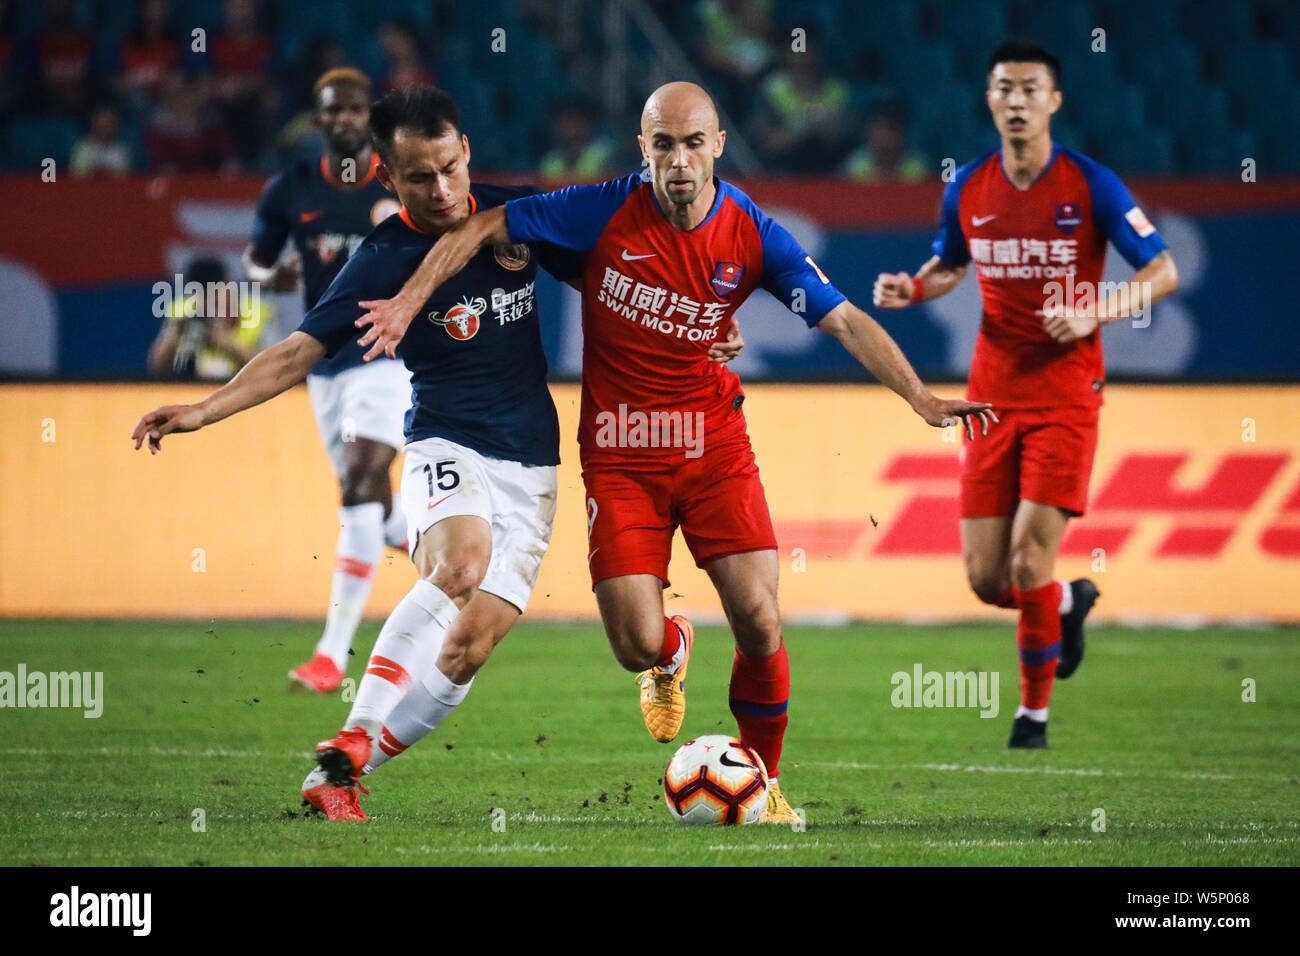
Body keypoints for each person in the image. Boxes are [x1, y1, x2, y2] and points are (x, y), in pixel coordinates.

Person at [353, 81, 994, 822]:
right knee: (635, 645)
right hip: (621, 456)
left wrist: (922, 398)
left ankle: (769, 780)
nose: (679, 162)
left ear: (718, 146)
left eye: (694, 144)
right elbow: (481, 226)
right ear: (643, 148)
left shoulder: (753, 232)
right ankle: (670, 651)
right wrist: (407, 298)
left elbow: (846, 322)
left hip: (712, 445)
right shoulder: (599, 209)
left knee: (758, 616)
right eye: (663, 145)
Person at [133, 85, 742, 821]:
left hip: (533, 463)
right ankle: (352, 735)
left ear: (467, 154)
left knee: (466, 652)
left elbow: (619, 277)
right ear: (388, 179)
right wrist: (203, 408)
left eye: (451, 167)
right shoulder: (382, 260)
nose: (444, 189)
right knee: (458, 567)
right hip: (445, 440)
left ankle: (345, 768)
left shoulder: (514, 217)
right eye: (420, 178)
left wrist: (697, 323)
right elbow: (297, 353)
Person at [872, 40, 1179, 748]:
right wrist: (914, 288)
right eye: (1004, 88)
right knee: (986, 579)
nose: (1016, 101)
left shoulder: (1092, 185)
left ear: (1054, 101)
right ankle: (1066, 602)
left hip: (1067, 396)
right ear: (990, 100)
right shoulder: (969, 188)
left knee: (1026, 563)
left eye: (1030, 89)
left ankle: (1031, 719)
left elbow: (1161, 270)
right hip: (990, 397)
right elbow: (950, 264)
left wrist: (1094, 309)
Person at [244, 68, 408, 694]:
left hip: (389, 354)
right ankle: (438, 555)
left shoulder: (399, 182)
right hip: (325, 363)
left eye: (354, 109)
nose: (343, 120)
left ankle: (331, 655)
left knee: (363, 479)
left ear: (371, 117)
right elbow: (258, 265)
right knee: (369, 501)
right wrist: (274, 277)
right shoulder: (289, 189)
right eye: (331, 112)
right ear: (318, 122)